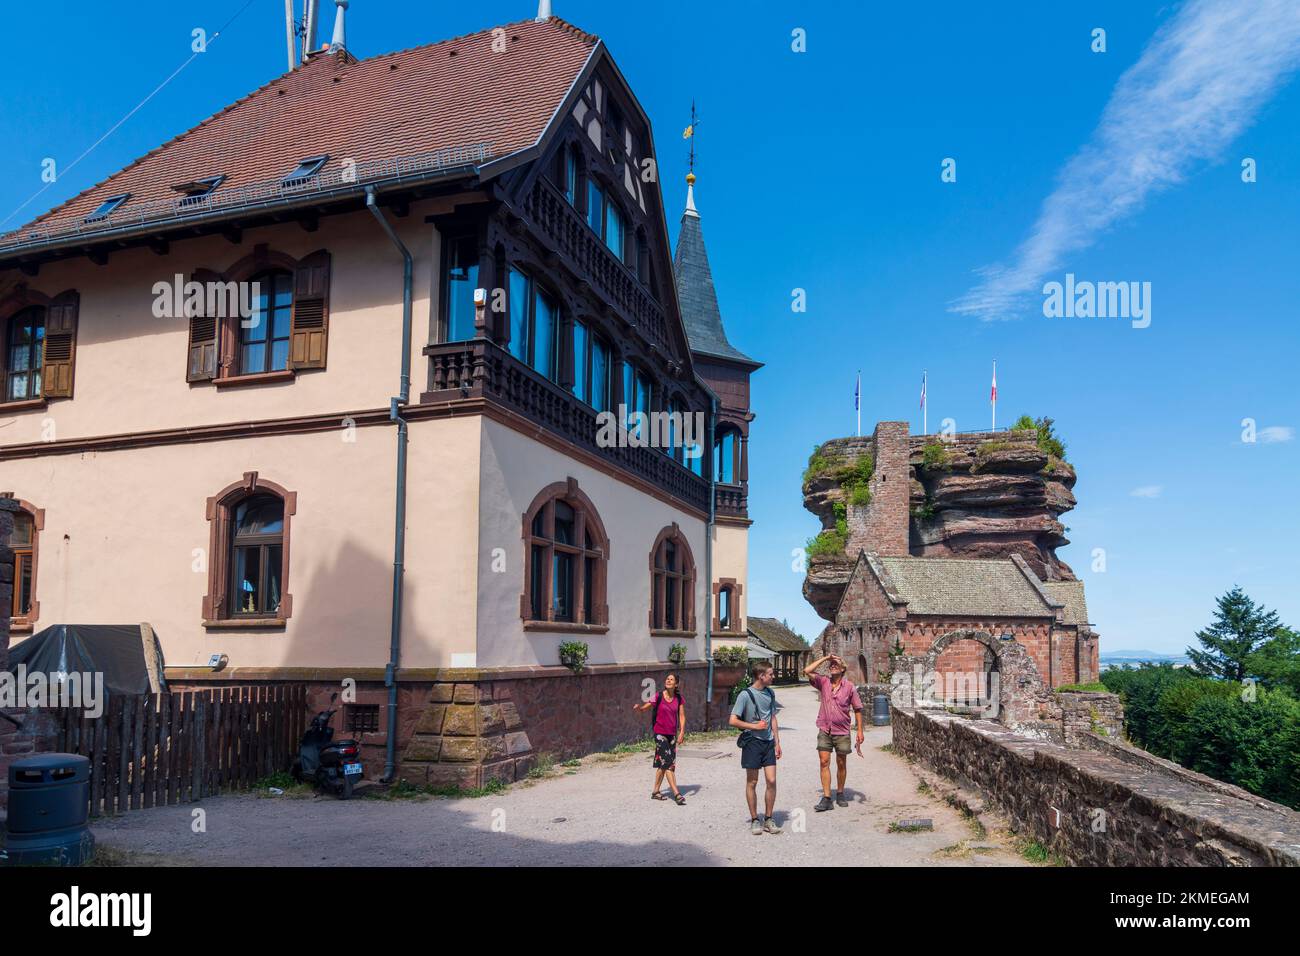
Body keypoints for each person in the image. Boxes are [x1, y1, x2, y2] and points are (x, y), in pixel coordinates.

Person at [803, 653, 864, 811]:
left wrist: (860, 731)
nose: (833, 666)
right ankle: (827, 797)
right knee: (824, 762)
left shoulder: (849, 687)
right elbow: (807, 670)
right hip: (825, 728)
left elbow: (858, 709)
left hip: (842, 730)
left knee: (841, 763)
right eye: (831, 665)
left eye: (836, 664)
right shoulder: (823, 682)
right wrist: (826, 658)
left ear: (843, 668)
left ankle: (841, 792)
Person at [729, 662, 782, 835]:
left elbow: (772, 717)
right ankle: (754, 819)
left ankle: (768, 818)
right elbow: (733, 720)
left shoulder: (770, 693)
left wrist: (777, 741)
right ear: (761, 676)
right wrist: (753, 726)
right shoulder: (745, 695)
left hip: (768, 743)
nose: (773, 677)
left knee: (771, 781)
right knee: (752, 782)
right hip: (752, 742)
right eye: (771, 674)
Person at [632, 673, 686, 804]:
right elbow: (645, 707)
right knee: (668, 763)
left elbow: (682, 716)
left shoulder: (679, 699)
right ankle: (677, 794)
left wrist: (682, 732)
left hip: (671, 735)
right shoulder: (658, 696)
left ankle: (656, 791)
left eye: (671, 679)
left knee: (664, 763)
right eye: (667, 679)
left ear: (676, 684)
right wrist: (639, 708)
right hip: (660, 734)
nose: (668, 680)